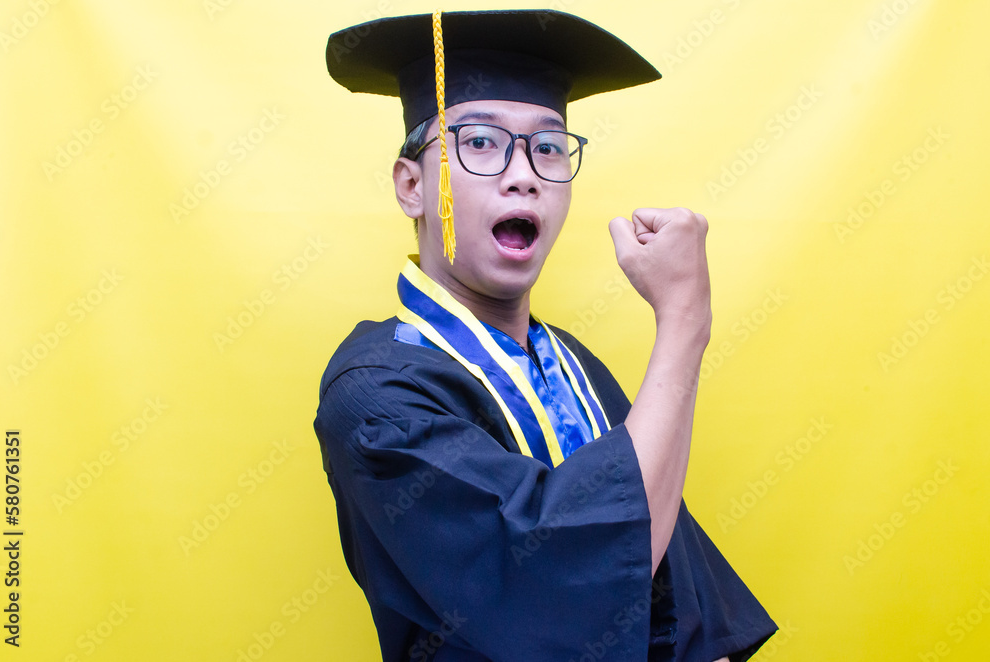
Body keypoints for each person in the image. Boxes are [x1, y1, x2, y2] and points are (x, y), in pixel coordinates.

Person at [315, 9, 777, 661]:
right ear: (412, 186)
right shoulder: (376, 397)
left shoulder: (572, 364)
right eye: (480, 142)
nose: (524, 173)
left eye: (550, 147)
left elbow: (672, 570)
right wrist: (684, 323)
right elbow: (565, 585)